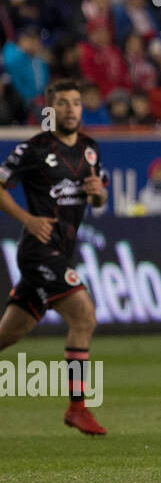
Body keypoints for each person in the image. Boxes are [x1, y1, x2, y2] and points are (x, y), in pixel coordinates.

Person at [0, 80, 109, 434]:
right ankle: (77, 407)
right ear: (50, 109)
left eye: (76, 102)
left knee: (11, 333)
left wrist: (98, 196)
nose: (71, 109)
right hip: (38, 252)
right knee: (84, 316)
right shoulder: (34, 149)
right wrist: (27, 219)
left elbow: (99, 198)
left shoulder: (90, 149)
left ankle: (77, 408)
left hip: (61, 250)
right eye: (63, 103)